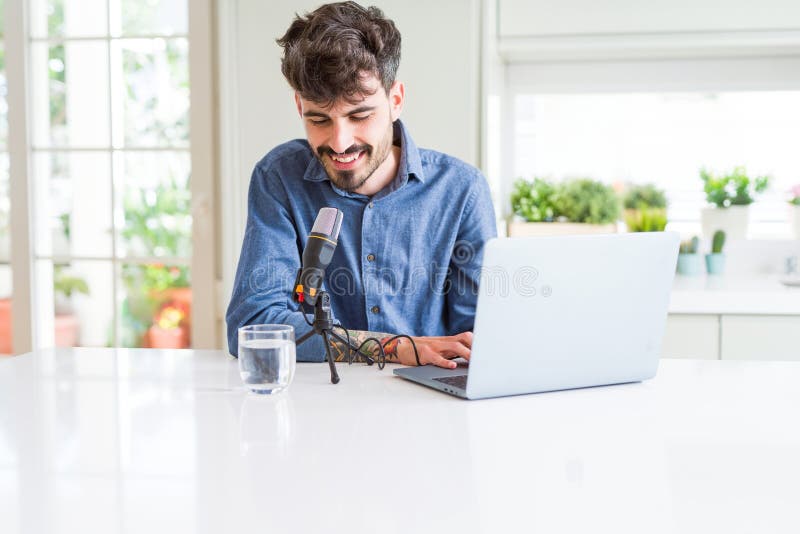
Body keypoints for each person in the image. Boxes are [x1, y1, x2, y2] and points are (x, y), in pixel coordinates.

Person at [226, 1, 496, 369]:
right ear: (298, 106)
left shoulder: (462, 191)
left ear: (395, 100)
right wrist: (392, 347)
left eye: (360, 115)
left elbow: (481, 338)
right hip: (317, 407)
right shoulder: (278, 179)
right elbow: (252, 325)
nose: (339, 142)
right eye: (319, 119)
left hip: (428, 410)